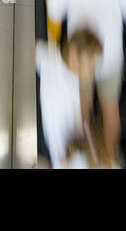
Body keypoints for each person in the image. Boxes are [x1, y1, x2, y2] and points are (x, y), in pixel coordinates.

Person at [40, 0, 126, 164]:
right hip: (111, 53)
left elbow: (55, 11)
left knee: (81, 113)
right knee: (110, 109)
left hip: (81, 57)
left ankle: (82, 160)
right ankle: (109, 160)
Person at [35, 29, 103, 169]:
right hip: (60, 158)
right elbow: (73, 143)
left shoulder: (52, 58)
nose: (93, 70)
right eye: (89, 62)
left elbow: (35, 49)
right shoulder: (70, 94)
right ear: (73, 54)